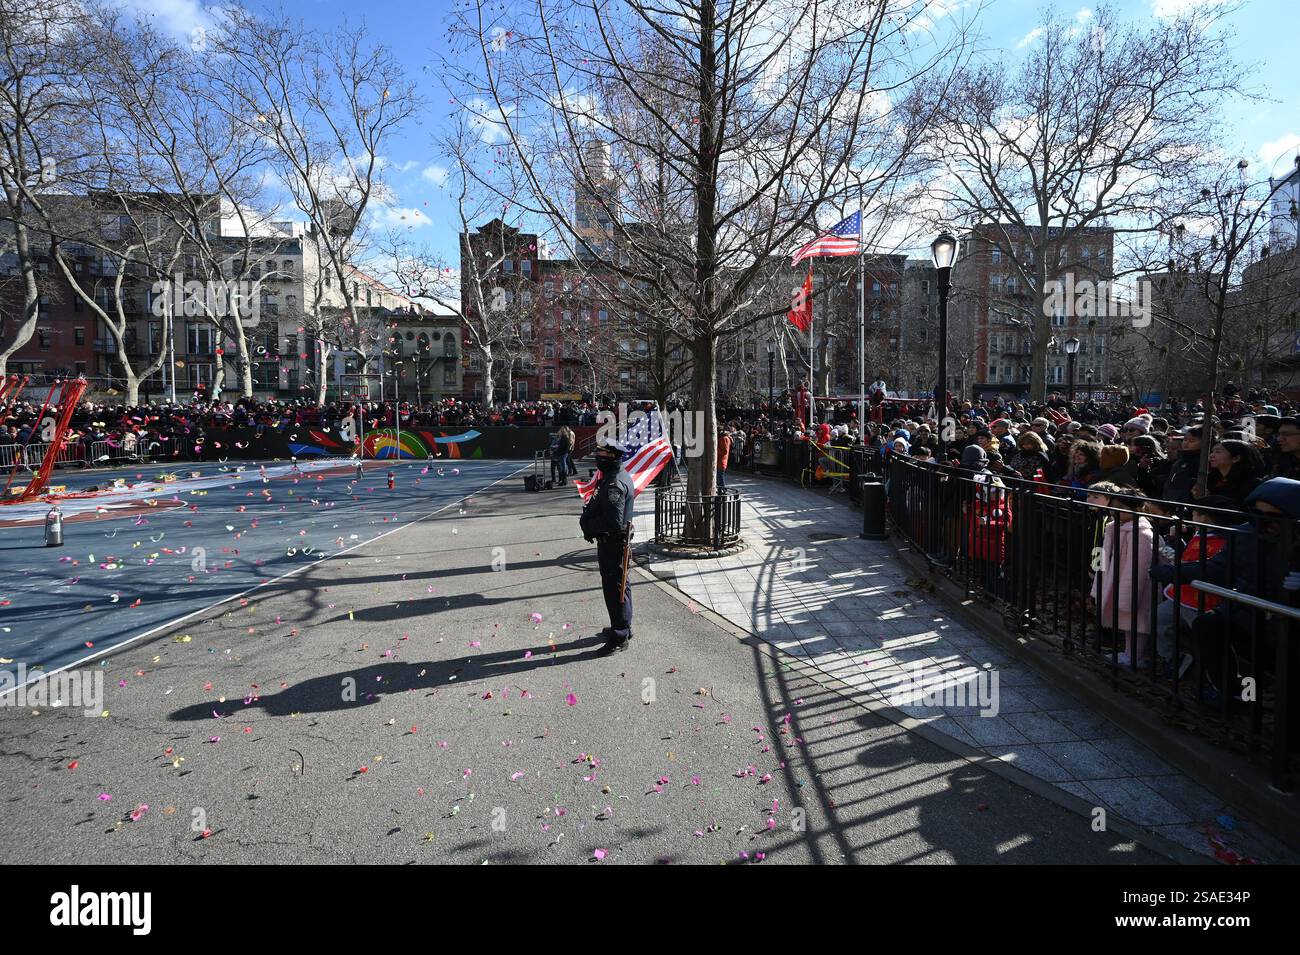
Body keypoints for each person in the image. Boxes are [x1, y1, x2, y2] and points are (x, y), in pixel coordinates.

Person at [580, 439, 636, 656]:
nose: (598, 459)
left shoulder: (614, 484)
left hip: (612, 544)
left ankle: (620, 635)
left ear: (612, 458)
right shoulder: (616, 475)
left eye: (602, 455)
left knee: (615, 590)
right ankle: (622, 626)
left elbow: (612, 522)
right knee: (621, 586)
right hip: (615, 544)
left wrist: (588, 526)